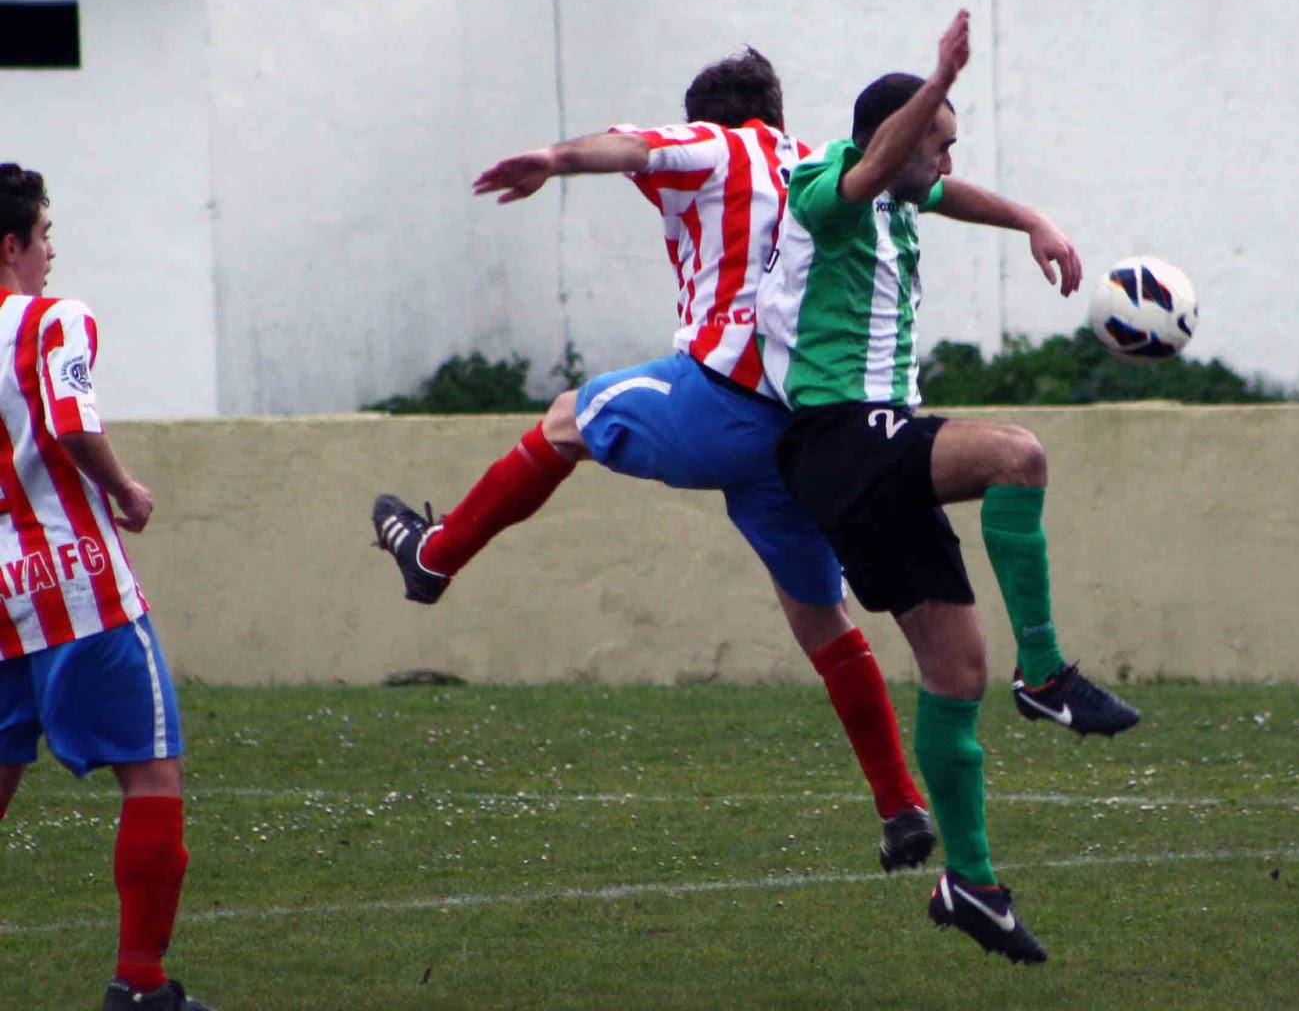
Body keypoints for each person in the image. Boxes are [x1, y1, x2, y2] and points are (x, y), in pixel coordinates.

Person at [370, 49, 936, 873]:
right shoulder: (819, 163)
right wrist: (1033, 221)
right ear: (781, 109)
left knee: (569, 418)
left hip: (718, 400)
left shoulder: (723, 145)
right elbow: (929, 189)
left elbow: (632, 149)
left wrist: (557, 159)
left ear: (713, 115)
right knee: (821, 620)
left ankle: (434, 557)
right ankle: (900, 807)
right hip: (803, 433)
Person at [755, 11, 1141, 963]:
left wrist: (1034, 221)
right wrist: (935, 78)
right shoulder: (823, 185)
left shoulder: (904, 192)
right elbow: (878, 167)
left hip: (867, 458)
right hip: (838, 436)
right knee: (1017, 455)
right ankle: (1046, 674)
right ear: (893, 135)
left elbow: (939, 188)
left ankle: (969, 883)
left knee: (955, 672)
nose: (944, 157)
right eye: (938, 138)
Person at [0, 164, 215, 1010]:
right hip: (79, 586)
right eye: (44, 233)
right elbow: (70, 421)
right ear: (11, 245)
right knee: (153, 778)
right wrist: (124, 490)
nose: (53, 251)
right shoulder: (57, 321)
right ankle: (142, 984)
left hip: (2, 592)